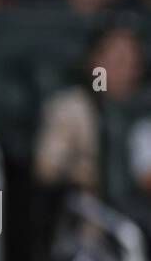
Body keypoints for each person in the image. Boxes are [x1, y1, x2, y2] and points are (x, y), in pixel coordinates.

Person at [35, 20, 144, 194]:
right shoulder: (72, 108)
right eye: (119, 61)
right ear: (95, 62)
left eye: (134, 63)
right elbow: (47, 169)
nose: (127, 71)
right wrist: (83, 172)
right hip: (91, 212)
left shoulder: (139, 114)